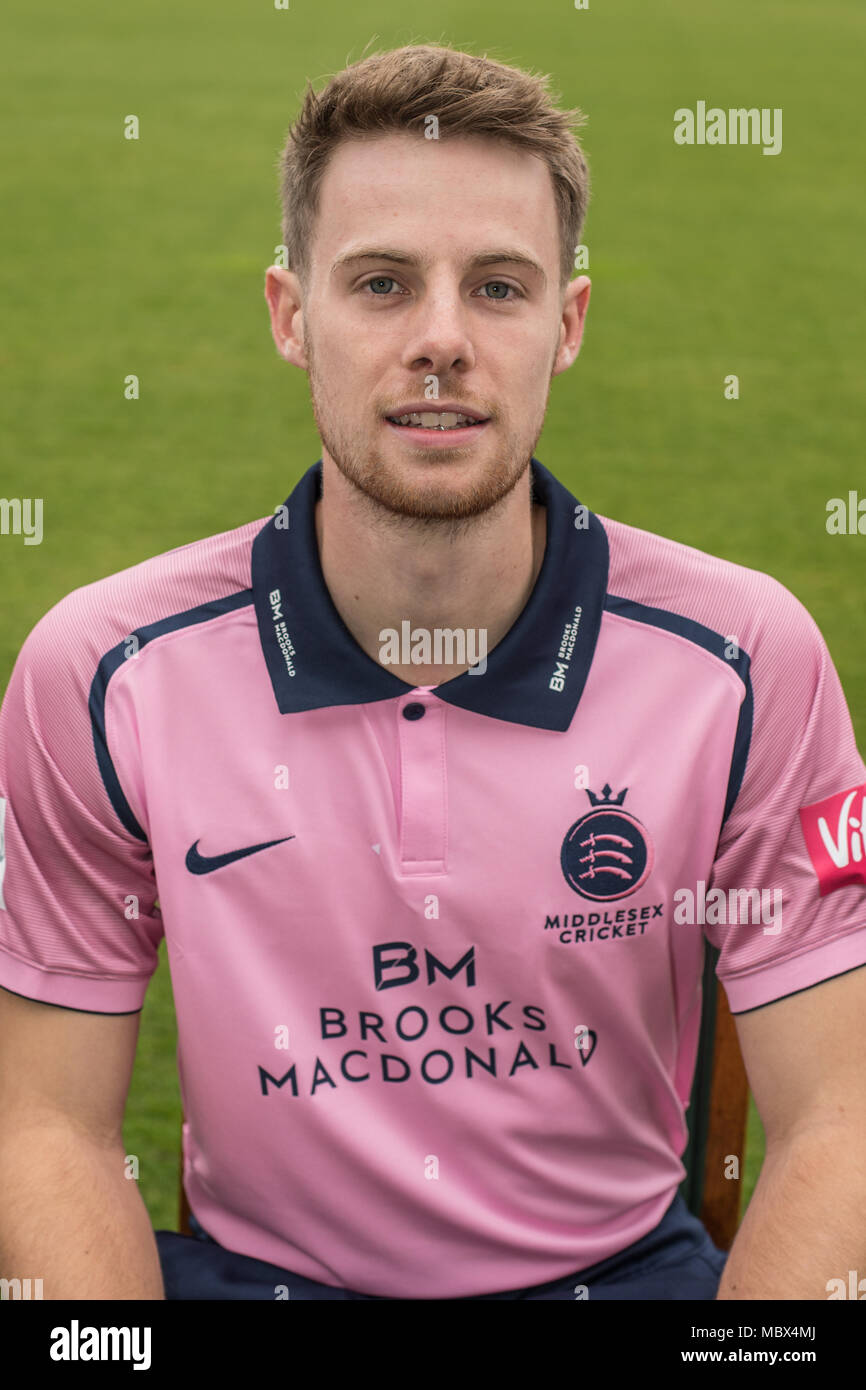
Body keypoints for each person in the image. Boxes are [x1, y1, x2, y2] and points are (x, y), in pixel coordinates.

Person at [1, 42, 865, 1303]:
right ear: (291, 314)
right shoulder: (104, 668)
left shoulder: (743, 658)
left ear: (565, 325)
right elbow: (46, 1129)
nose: (442, 340)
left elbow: (837, 1117)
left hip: (617, 1277)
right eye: (382, 283)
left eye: (499, 287)